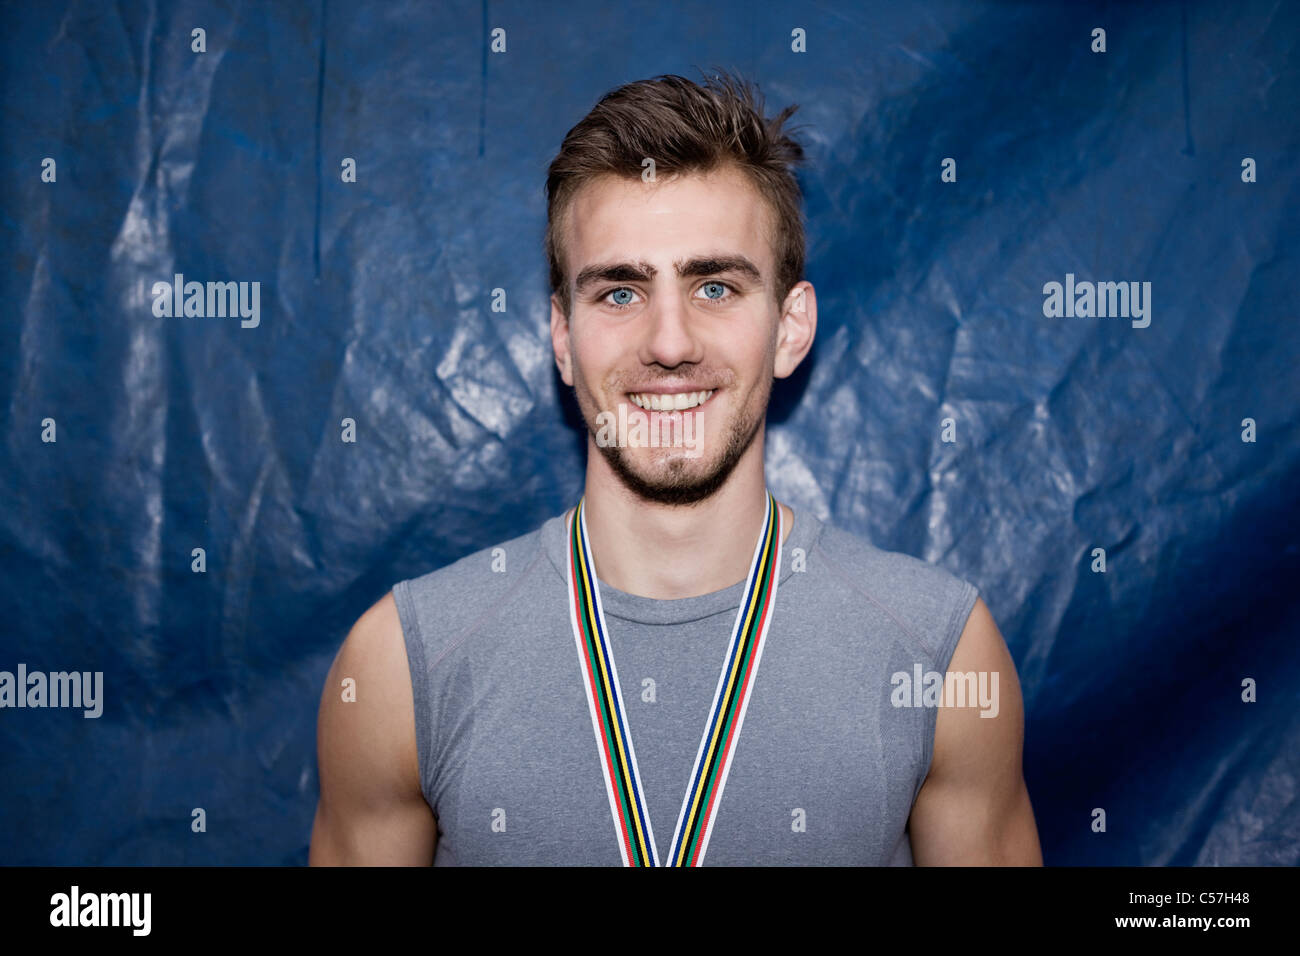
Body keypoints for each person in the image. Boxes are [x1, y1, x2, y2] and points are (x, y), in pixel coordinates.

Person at [309, 70, 1042, 866]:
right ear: (561, 336)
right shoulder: (400, 668)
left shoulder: (942, 656)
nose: (669, 343)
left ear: (791, 328)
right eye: (620, 293)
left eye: (716, 286)